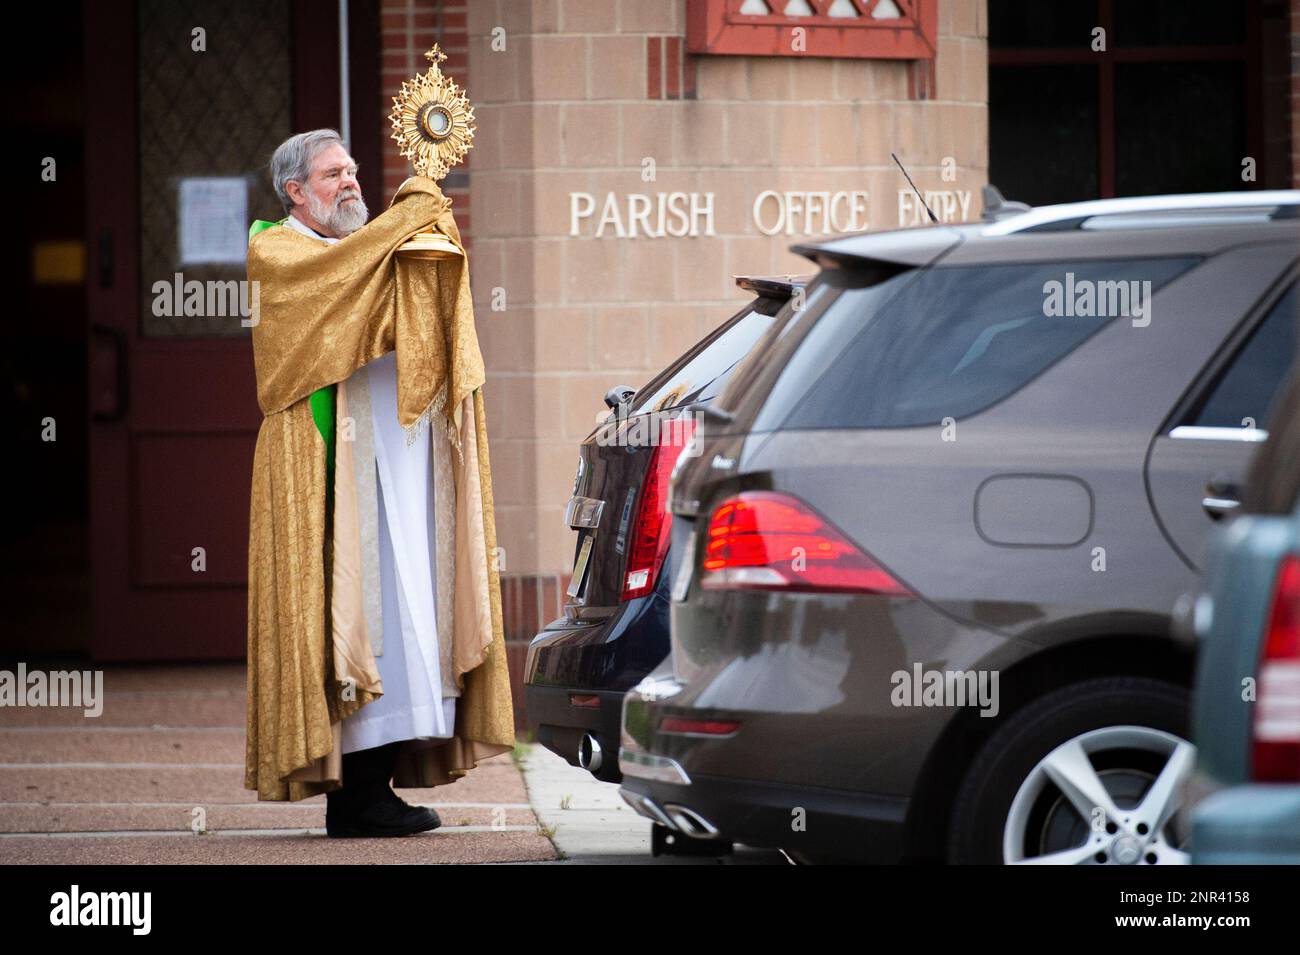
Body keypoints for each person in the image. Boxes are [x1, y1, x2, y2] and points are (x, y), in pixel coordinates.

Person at [244, 129, 515, 837]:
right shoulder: (278, 251)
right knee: (341, 619)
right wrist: (414, 207)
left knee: (400, 621)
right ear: (296, 192)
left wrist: (432, 246)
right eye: (333, 174)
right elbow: (338, 293)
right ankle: (354, 796)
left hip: (392, 468)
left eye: (355, 170)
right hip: (322, 463)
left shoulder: (372, 255)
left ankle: (376, 786)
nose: (352, 182)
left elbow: (419, 317)